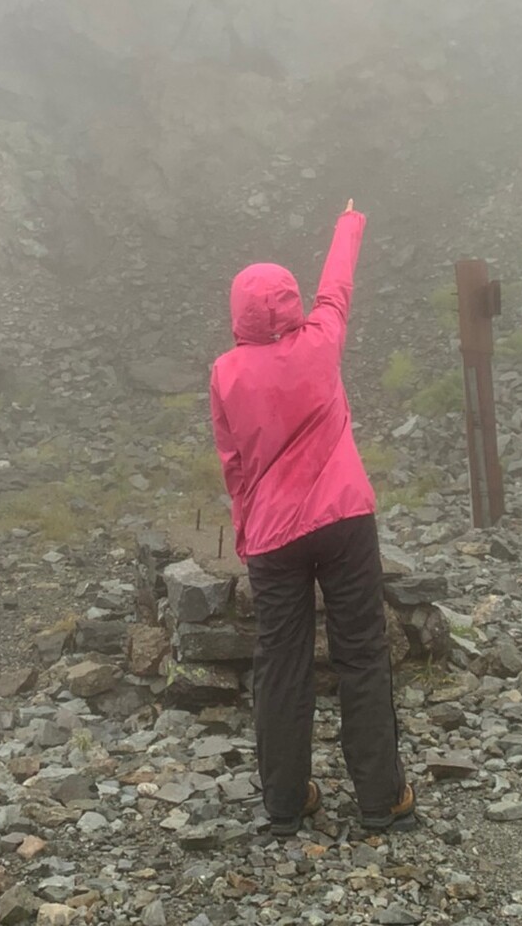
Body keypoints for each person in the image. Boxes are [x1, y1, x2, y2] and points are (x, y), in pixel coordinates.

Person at [209, 199, 416, 836]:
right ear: (291, 304)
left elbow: (235, 466)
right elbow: (338, 285)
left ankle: (284, 802)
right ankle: (382, 801)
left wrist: (246, 531)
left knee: (281, 662)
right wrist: (348, 223)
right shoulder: (321, 341)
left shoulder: (225, 373)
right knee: (361, 653)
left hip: (273, 536)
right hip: (345, 519)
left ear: (240, 314)